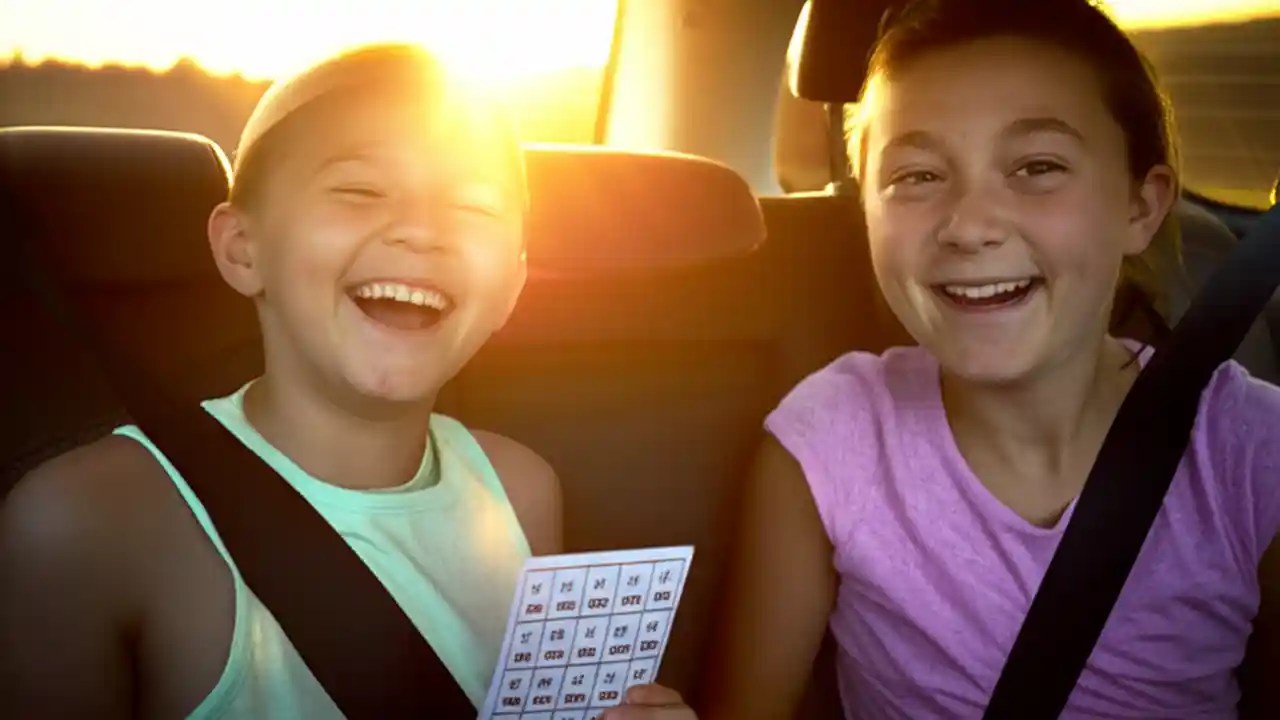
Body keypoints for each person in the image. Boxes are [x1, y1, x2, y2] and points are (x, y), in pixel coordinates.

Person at [0, 44, 694, 719]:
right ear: (243, 249)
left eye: (473, 207)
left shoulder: (520, 491)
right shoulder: (89, 521)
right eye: (360, 191)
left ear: (511, 287)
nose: (422, 232)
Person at [704, 1, 1280, 717]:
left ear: (1140, 207)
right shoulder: (833, 443)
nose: (970, 226)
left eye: (1038, 167)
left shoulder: (1247, 447)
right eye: (916, 176)